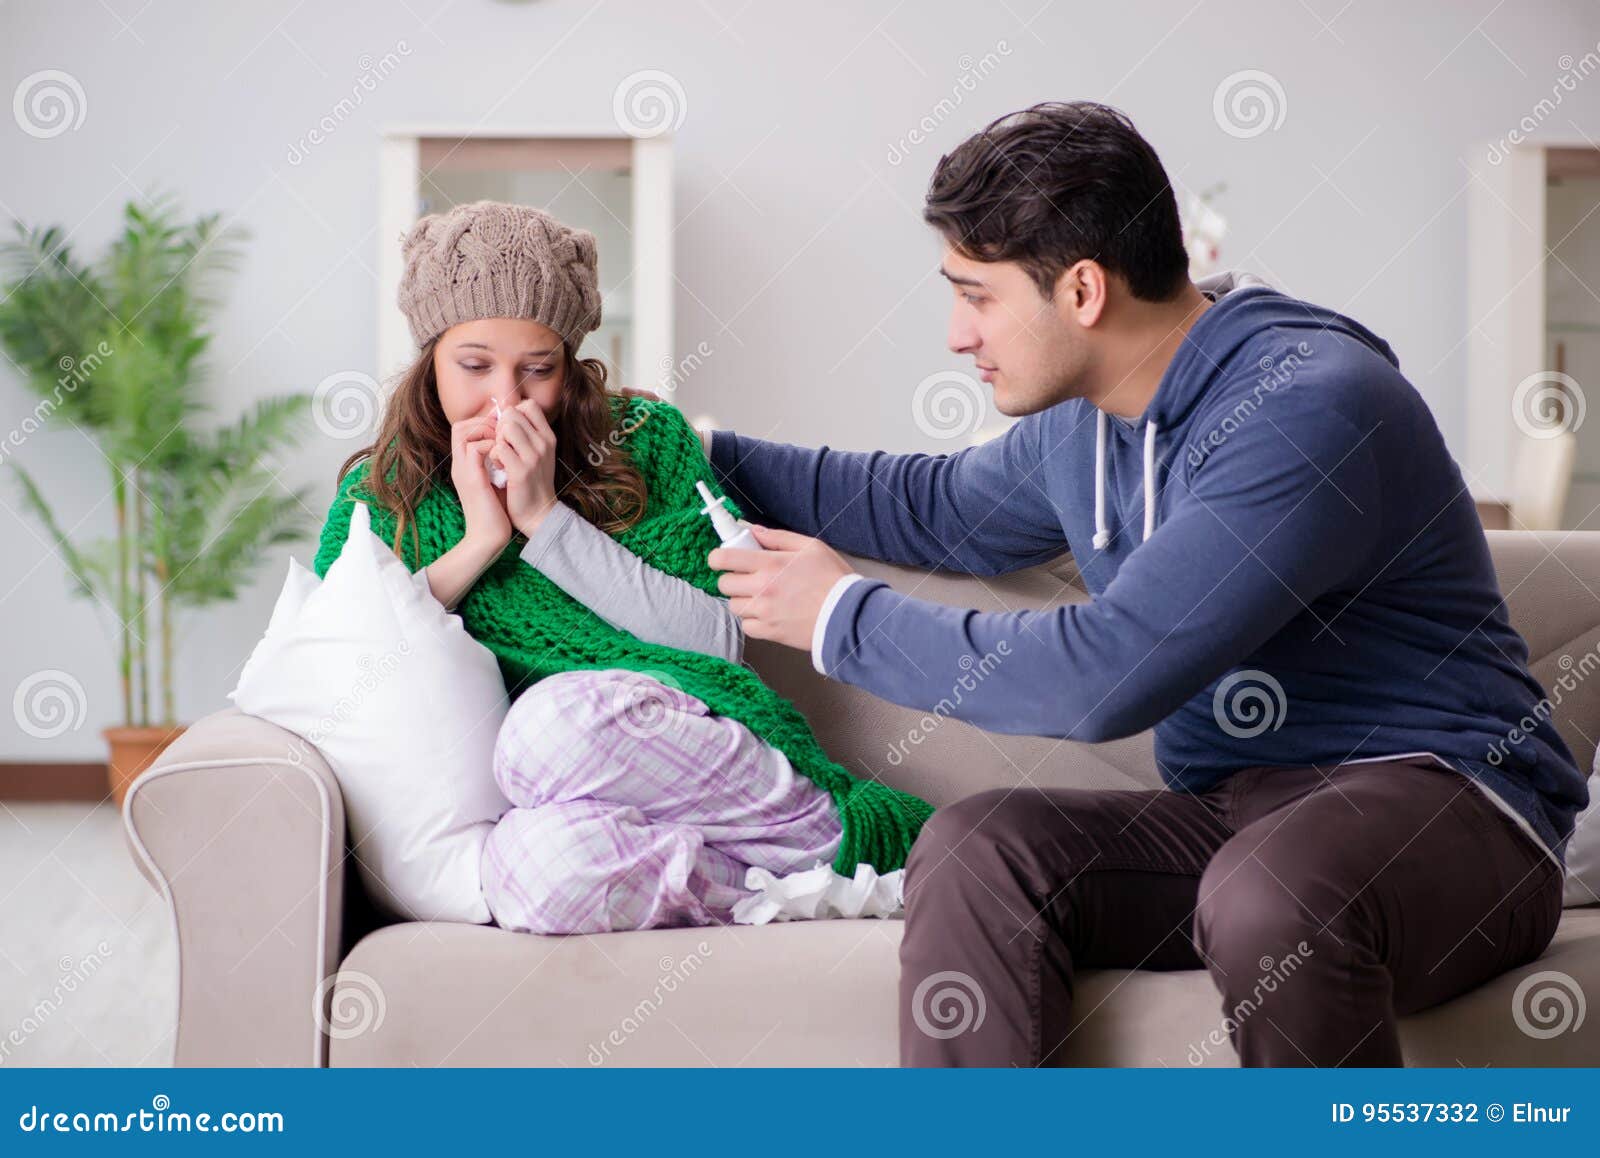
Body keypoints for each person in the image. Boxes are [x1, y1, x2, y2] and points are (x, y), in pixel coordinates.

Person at [701, 101, 1587, 1066]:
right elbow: (935, 507)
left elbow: (1109, 673)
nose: (957, 334)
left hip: (1453, 813)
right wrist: (687, 451)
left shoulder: (1308, 409)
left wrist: (838, 617)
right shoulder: (1094, 423)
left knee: (1274, 888)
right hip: (1243, 819)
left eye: (977, 294)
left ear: (1082, 290)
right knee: (976, 848)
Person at [311, 199, 930, 936]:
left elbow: (715, 642)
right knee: (529, 875)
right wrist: (480, 539)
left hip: (658, 742)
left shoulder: (644, 440)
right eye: (474, 366)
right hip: (548, 807)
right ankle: (791, 886)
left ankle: (830, 838)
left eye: (536, 370)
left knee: (543, 730)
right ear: (430, 360)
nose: (505, 401)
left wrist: (545, 520)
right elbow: (342, 662)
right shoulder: (378, 498)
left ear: (568, 367)